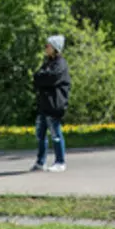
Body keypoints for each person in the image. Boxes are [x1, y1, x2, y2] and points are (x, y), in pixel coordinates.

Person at [32, 35, 71, 173]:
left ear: (55, 48)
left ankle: (60, 161)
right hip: (44, 105)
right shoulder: (48, 63)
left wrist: (42, 77)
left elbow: (50, 78)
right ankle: (40, 162)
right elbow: (37, 77)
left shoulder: (60, 64)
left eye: (48, 45)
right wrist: (41, 77)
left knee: (55, 134)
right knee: (40, 134)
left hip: (54, 105)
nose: (45, 48)